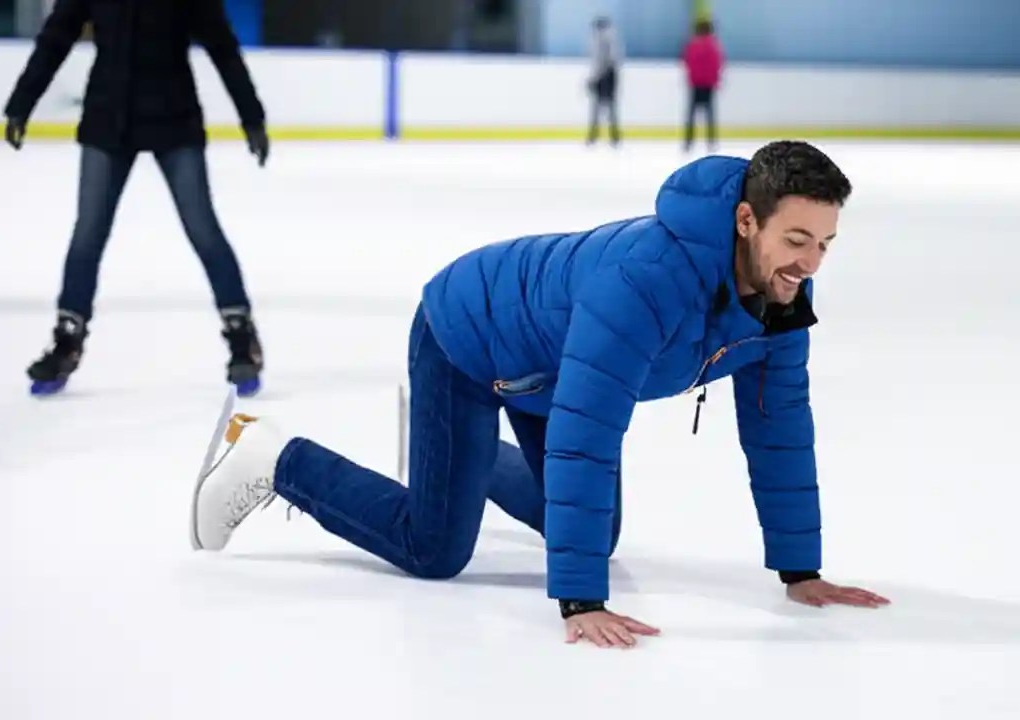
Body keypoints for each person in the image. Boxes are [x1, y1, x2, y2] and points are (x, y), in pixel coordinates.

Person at [189, 141, 890, 649]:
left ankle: (450, 454)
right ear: (746, 222)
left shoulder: (783, 295)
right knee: (434, 550)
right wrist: (579, 599)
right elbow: (589, 428)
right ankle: (272, 455)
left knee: (595, 530)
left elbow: (779, 426)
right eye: (797, 238)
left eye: (826, 243)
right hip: (468, 338)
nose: (811, 262)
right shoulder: (646, 280)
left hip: (549, 369)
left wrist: (800, 570)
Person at [4, 0, 270, 398]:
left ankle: (240, 334)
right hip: (108, 121)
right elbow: (56, 36)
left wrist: (251, 115)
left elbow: (222, 46)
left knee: (202, 227)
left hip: (174, 119)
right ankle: (67, 339)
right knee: (88, 233)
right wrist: (22, 103)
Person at [681, 18, 724, 153]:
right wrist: (715, 80)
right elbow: (717, 64)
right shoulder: (713, 45)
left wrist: (691, 78)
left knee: (691, 114)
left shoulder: (692, 45)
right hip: (708, 84)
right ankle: (711, 141)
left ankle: (688, 141)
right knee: (709, 114)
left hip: (695, 83)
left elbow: (687, 62)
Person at [585, 15, 622, 147]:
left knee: (599, 107)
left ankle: (595, 136)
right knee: (609, 107)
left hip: (604, 76)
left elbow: (602, 61)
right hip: (610, 75)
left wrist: (595, 77)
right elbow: (615, 60)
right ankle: (613, 136)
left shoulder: (602, 39)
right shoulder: (612, 39)